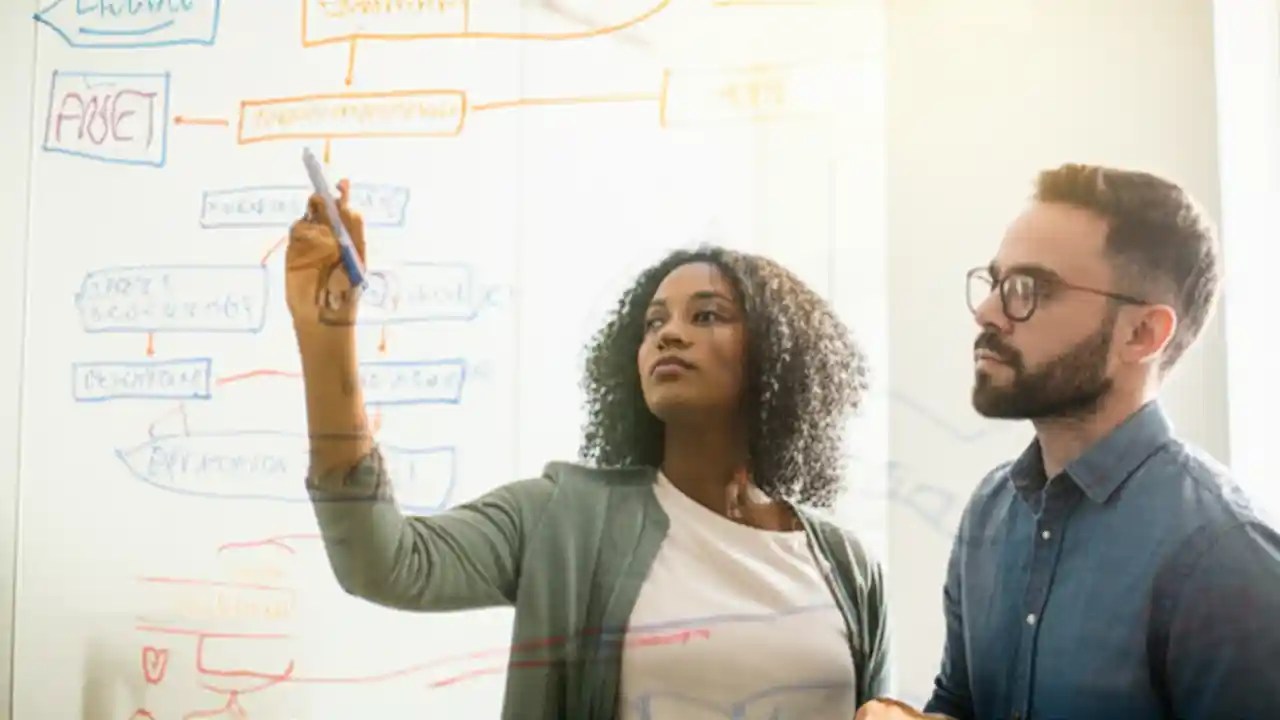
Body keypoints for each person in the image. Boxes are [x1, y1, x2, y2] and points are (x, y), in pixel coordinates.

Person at [286, 180, 892, 720]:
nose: (670, 333)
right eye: (654, 323)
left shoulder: (846, 568)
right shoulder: (567, 517)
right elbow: (382, 561)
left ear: (777, 360)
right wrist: (328, 335)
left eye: (707, 316)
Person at [857, 163, 1280, 720]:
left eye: (1027, 289)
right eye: (994, 283)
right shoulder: (991, 510)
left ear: (1141, 334)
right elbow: (960, 704)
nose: (988, 313)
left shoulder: (1225, 554)